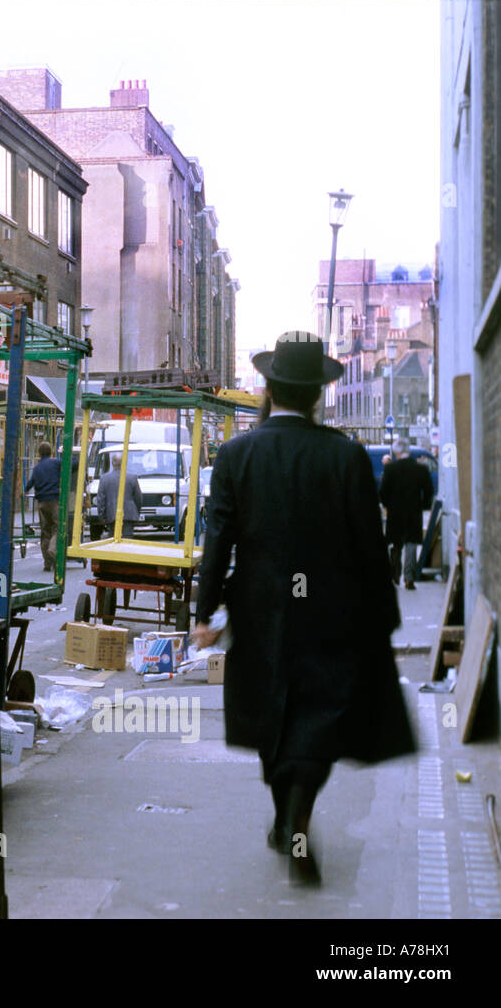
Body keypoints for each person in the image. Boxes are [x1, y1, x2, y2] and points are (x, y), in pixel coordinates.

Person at [191, 331, 414, 886]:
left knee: (273, 714)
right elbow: (370, 545)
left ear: (269, 389)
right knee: (319, 717)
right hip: (331, 610)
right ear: (318, 394)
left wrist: (204, 612)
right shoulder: (345, 455)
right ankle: (297, 814)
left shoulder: (237, 455)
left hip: (260, 609)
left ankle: (284, 816)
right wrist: (384, 617)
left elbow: (218, 538)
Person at [379, 438, 434, 591]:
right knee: (411, 543)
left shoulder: (390, 469)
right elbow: (429, 490)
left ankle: (395, 574)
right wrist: (424, 505)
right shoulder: (420, 469)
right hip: (413, 512)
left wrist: (387, 505)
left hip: (395, 513)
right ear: (408, 450)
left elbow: (383, 492)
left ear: (396, 452)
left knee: (396, 543)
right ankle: (409, 577)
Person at [24, 441, 61, 572]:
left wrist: (25, 491)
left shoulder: (37, 468)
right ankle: (53, 549)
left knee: (45, 532)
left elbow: (30, 483)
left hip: (42, 503)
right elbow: (73, 464)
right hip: (54, 500)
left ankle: (47, 563)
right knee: (57, 528)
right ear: (51, 452)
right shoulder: (56, 463)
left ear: (39, 453)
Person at [94, 452, 142, 539]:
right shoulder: (132, 478)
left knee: (113, 539)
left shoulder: (104, 478)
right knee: (127, 539)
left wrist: (102, 516)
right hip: (128, 515)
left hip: (111, 515)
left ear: (112, 463)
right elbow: (138, 498)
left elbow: (101, 499)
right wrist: (136, 512)